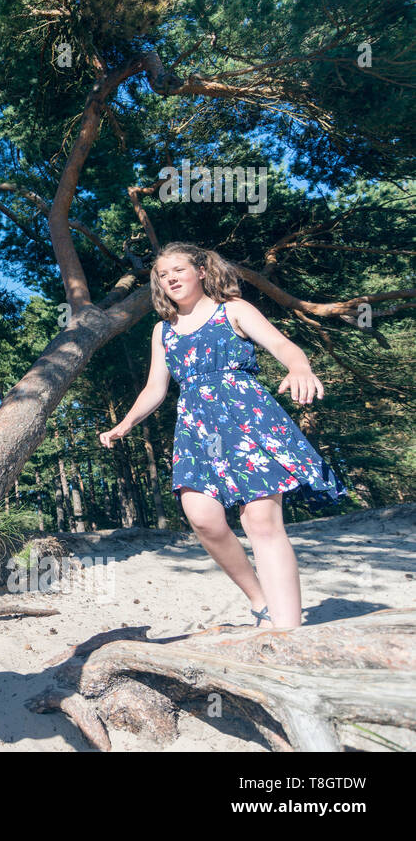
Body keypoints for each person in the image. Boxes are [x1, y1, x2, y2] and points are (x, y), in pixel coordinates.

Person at [98, 242, 347, 629]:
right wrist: (125, 423)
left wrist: (299, 368)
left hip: (248, 419)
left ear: (200, 271)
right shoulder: (162, 331)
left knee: (261, 522)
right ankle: (259, 599)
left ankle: (287, 629)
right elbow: (154, 388)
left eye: (178, 270)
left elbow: (282, 345)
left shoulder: (233, 310)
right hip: (197, 429)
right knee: (202, 518)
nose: (171, 279)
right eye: (163, 276)